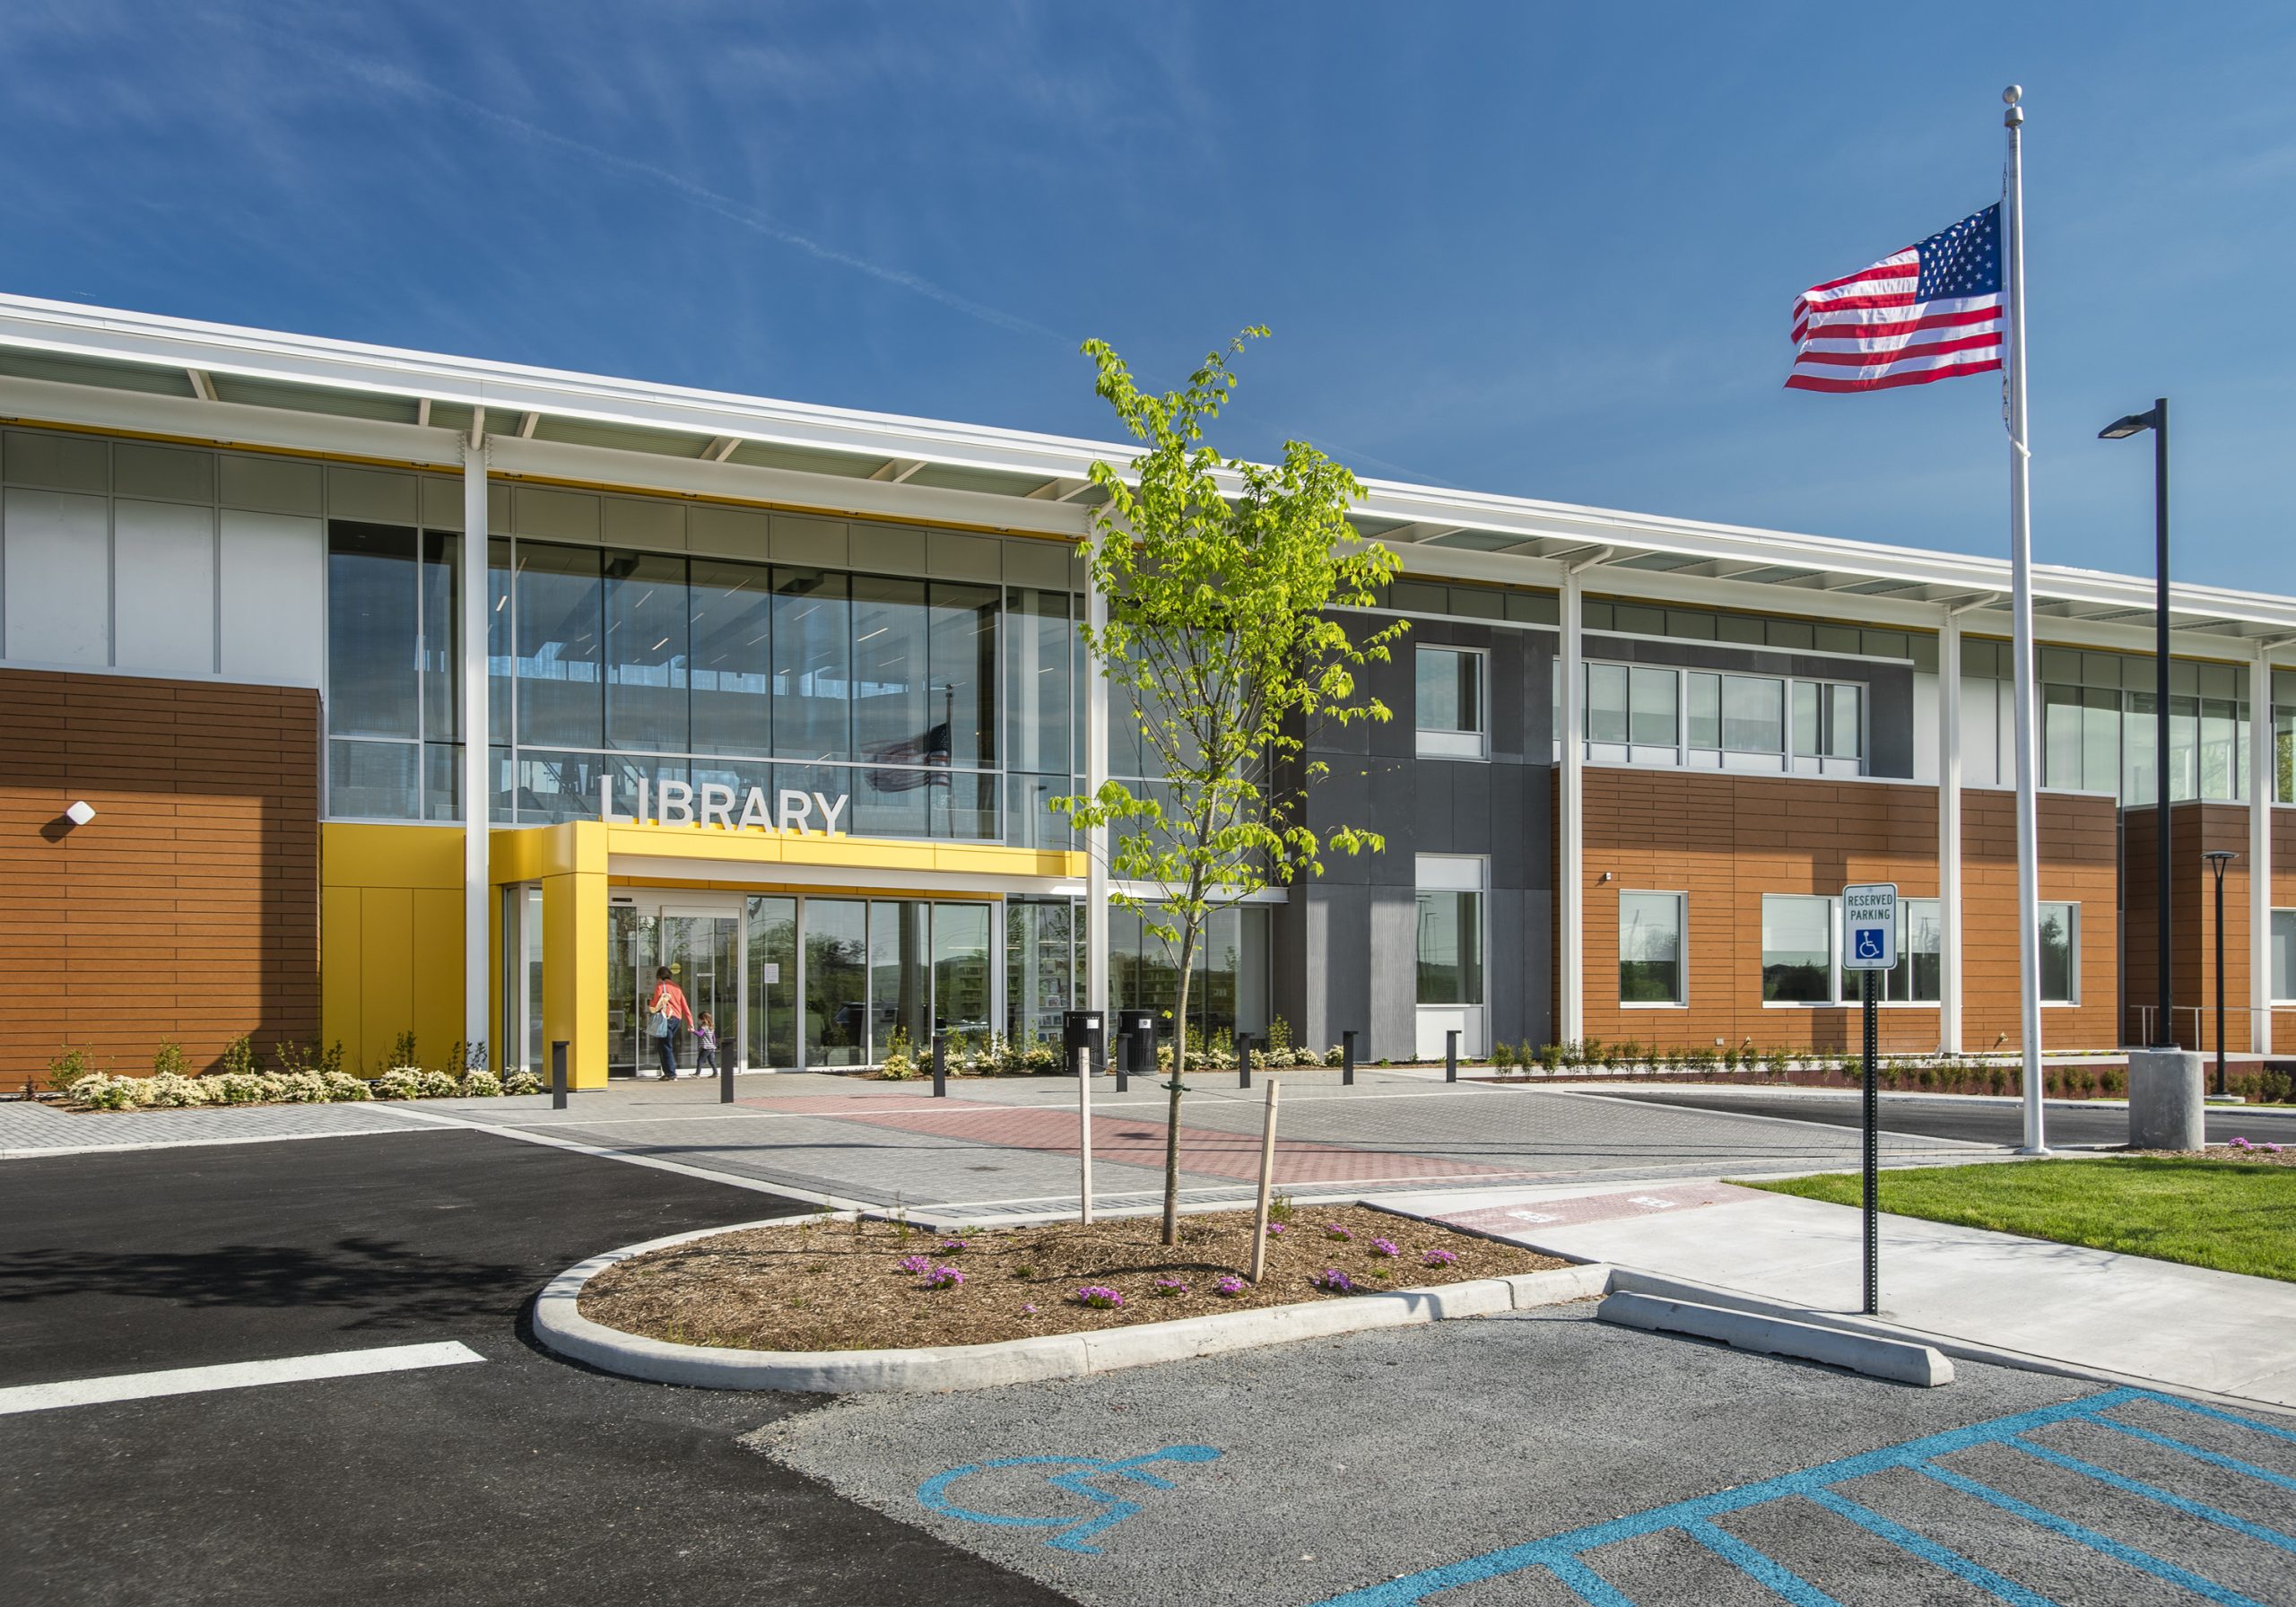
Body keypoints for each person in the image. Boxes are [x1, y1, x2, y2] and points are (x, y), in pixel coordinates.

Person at [644, 966, 693, 1079]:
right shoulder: (677, 987)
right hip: (677, 1019)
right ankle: (668, 1073)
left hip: (666, 1018)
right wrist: (690, 1022)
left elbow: (655, 1003)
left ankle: (671, 1073)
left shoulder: (661, 986)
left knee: (665, 1045)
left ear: (660, 976)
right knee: (664, 1045)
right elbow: (684, 1006)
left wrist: (650, 1002)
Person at [693, 1011, 719, 1079]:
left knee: (700, 1060)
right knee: (711, 1061)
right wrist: (714, 1045)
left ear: (703, 1019)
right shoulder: (711, 1026)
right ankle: (716, 1073)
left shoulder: (704, 1026)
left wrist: (692, 1030)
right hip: (711, 1047)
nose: (699, 1021)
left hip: (706, 1047)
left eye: (700, 1019)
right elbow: (713, 1037)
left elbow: (700, 1034)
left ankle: (697, 1074)